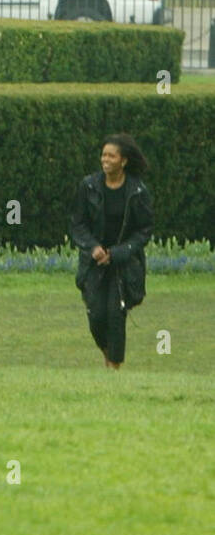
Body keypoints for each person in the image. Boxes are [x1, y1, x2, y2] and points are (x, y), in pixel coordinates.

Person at [69, 133, 153, 370]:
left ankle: (114, 368)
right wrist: (93, 247)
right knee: (96, 317)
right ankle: (108, 357)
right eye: (103, 155)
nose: (105, 160)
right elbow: (78, 224)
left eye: (111, 156)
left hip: (123, 265)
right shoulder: (88, 186)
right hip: (94, 264)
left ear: (123, 161)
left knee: (116, 316)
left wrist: (117, 253)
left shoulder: (138, 191)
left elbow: (144, 230)